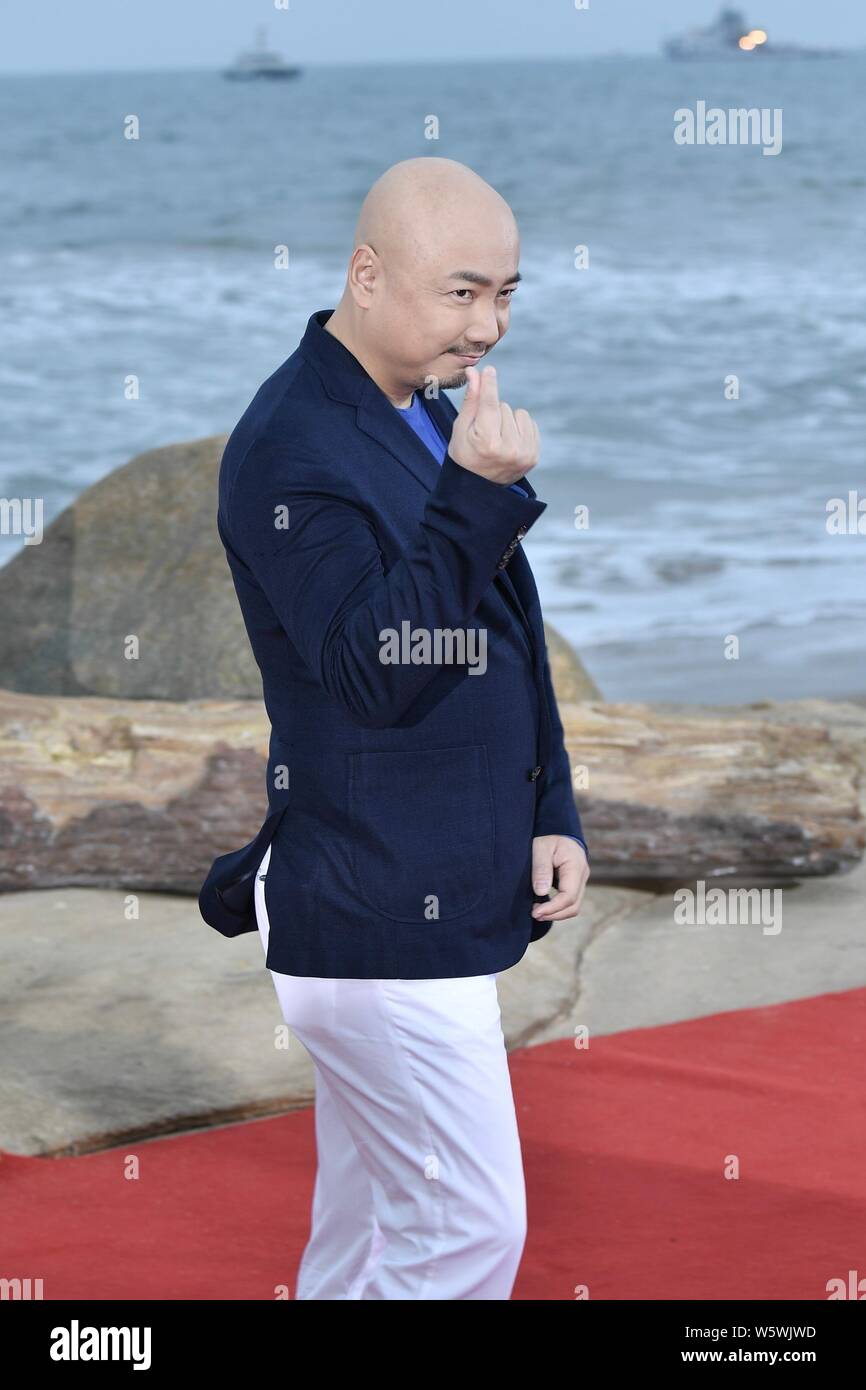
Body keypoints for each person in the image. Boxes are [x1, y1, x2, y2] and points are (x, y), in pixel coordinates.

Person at [201, 156, 590, 1299]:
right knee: (465, 1233)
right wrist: (475, 492)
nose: (489, 326)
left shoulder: (410, 408)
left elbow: (503, 629)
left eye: (506, 294)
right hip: (371, 902)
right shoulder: (288, 448)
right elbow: (376, 672)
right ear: (366, 275)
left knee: (371, 1227)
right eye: (460, 292)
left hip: (419, 881)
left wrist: (546, 806)